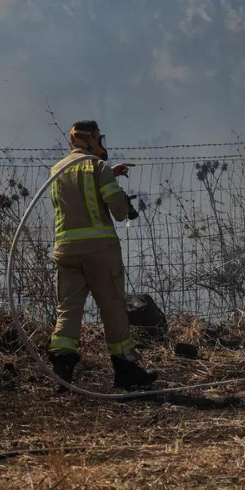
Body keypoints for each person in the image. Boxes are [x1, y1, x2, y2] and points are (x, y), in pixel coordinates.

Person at [45, 120, 159, 389]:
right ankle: (126, 371)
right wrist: (117, 192)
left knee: (68, 310)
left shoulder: (57, 169)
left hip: (66, 251)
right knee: (114, 307)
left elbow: (77, 197)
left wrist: (109, 174)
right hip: (99, 251)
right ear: (92, 140)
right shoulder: (98, 167)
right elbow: (119, 213)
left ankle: (62, 372)